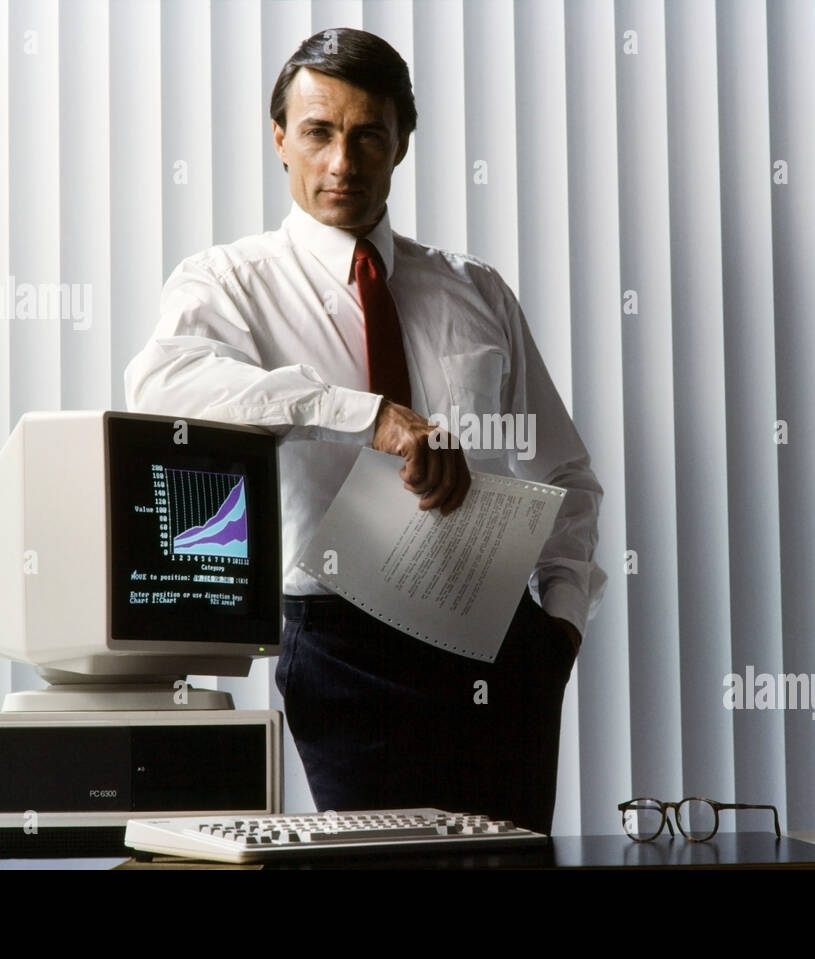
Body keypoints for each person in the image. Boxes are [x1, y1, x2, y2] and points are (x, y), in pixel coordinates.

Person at [124, 27, 605, 834]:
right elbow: (162, 385)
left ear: (400, 144)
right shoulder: (230, 283)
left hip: (500, 641)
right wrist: (366, 415)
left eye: (366, 134)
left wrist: (559, 625)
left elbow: (566, 471)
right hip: (345, 648)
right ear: (281, 138)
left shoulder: (474, 290)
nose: (341, 161)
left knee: (511, 867)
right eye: (318, 132)